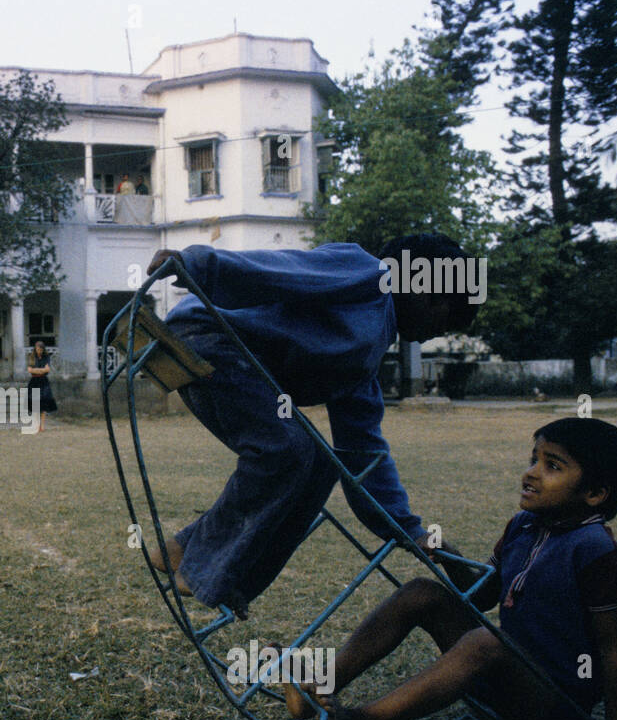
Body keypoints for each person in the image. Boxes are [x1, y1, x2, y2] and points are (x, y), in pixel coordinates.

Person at [281, 418, 617, 720]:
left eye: (552, 466)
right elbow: (482, 595)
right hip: (500, 675)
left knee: (487, 641)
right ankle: (318, 689)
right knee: (422, 592)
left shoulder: (601, 555)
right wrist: (447, 554)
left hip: (552, 707)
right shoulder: (525, 526)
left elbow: (616, 653)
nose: (531, 474)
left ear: (595, 493)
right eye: (534, 459)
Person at [144, 234, 481, 617]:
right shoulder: (367, 274)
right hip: (210, 335)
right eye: (445, 310)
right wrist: (201, 265)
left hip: (236, 365)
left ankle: (204, 563)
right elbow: (285, 270)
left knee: (321, 465)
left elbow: (363, 455)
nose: (441, 327)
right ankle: (197, 564)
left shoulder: (363, 362)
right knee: (287, 451)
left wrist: (407, 528)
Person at [26, 340, 58, 432]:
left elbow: (47, 369)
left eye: (40, 349)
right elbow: (30, 370)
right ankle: (36, 424)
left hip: (43, 381)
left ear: (43, 350)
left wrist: (37, 370)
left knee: (43, 404)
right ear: (35, 349)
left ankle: (42, 426)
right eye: (37, 349)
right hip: (35, 381)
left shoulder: (46, 357)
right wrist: (41, 370)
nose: (39, 351)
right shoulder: (31, 357)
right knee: (35, 404)